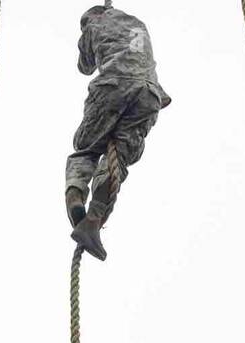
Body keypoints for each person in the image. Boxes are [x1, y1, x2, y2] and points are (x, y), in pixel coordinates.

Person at [67, 4, 171, 261]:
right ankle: (94, 218)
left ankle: (75, 196)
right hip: (149, 94)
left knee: (86, 148)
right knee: (119, 159)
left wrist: (88, 36)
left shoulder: (93, 24)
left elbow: (85, 66)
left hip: (113, 85)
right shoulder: (139, 24)